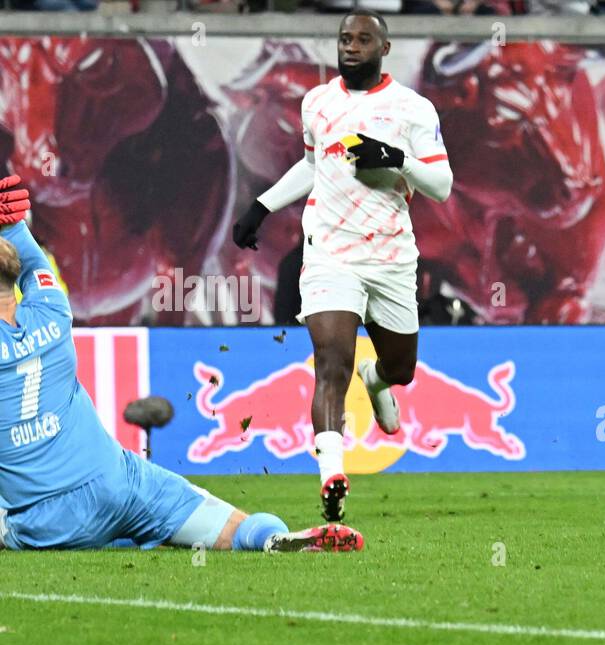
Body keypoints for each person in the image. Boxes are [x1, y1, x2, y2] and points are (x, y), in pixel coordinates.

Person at [0, 177, 362, 553]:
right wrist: (11, 224)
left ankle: (124, 538)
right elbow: (31, 261)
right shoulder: (53, 312)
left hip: (44, 519)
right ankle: (268, 537)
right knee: (228, 524)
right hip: (120, 483)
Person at [231, 10, 454, 522]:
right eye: (344, 38)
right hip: (329, 251)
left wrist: (394, 158)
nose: (350, 47)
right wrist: (261, 206)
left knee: (402, 368)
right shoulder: (318, 101)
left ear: (385, 48)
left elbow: (440, 186)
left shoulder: (412, 109)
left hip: (391, 256)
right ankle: (332, 471)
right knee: (331, 364)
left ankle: (378, 383)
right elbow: (314, 165)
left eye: (362, 39)